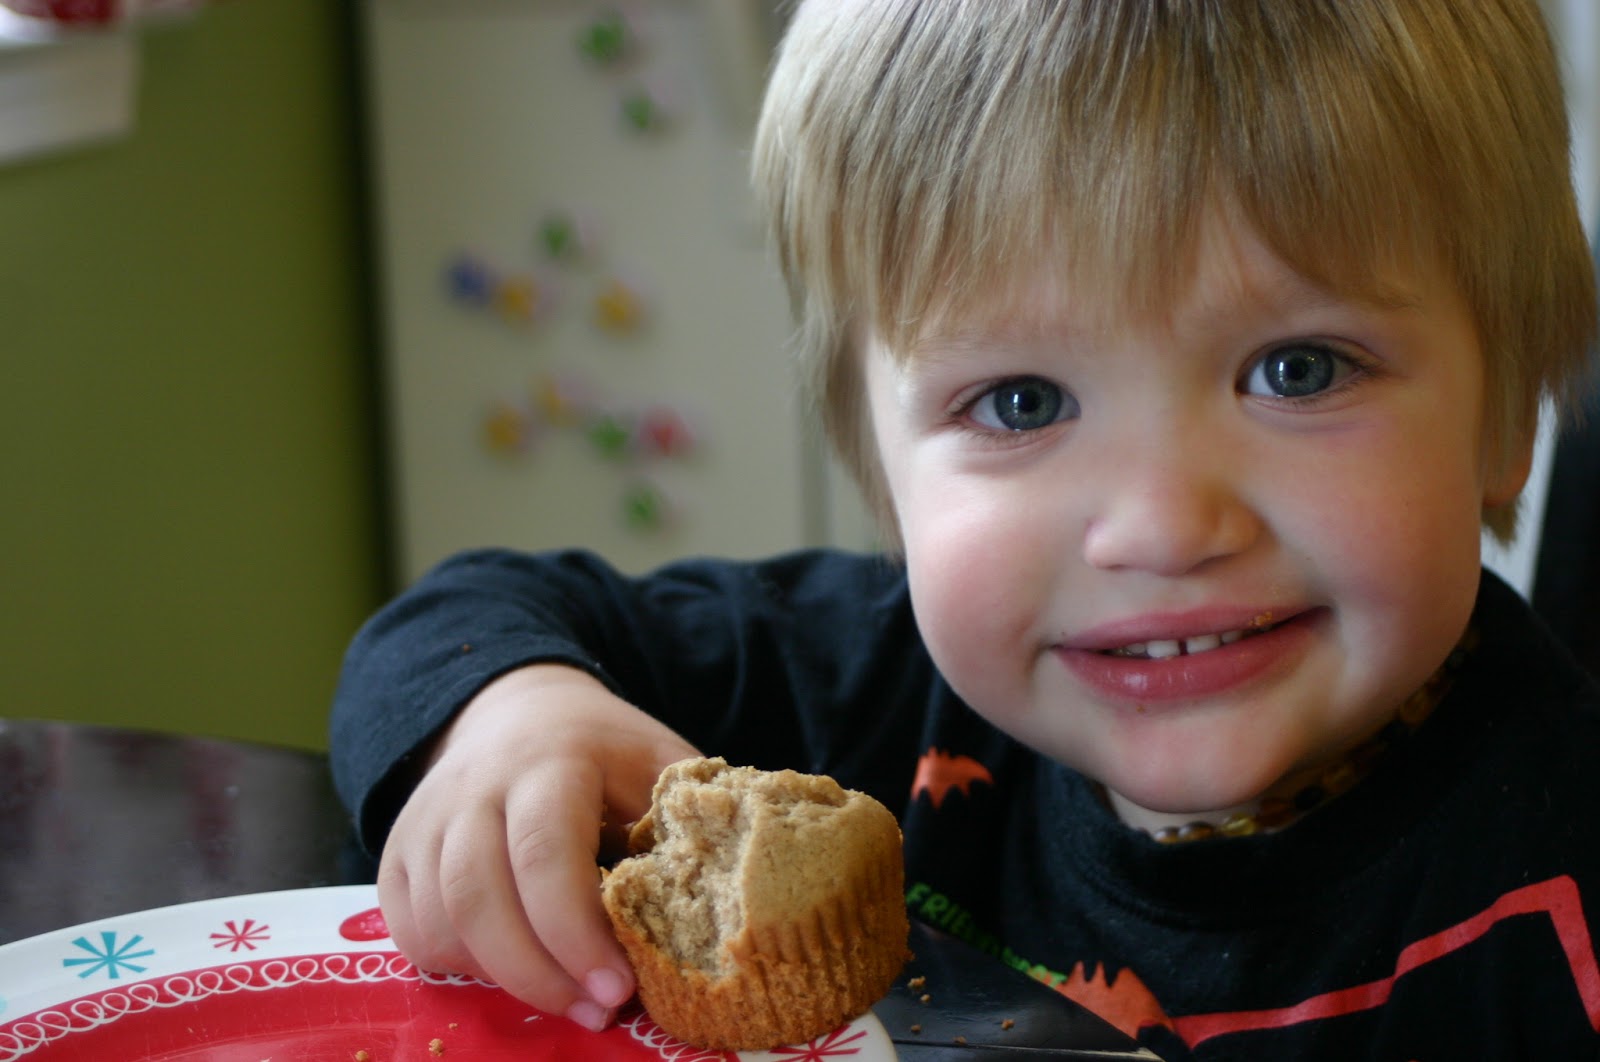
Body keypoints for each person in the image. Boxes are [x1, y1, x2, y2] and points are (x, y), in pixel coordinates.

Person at [330, 2, 1600, 1057]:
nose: (1159, 527)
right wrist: (509, 719)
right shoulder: (866, 681)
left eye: (1300, 371)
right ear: (884, 476)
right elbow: (472, 614)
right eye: (1020, 402)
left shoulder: (1559, 891)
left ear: (1507, 416)